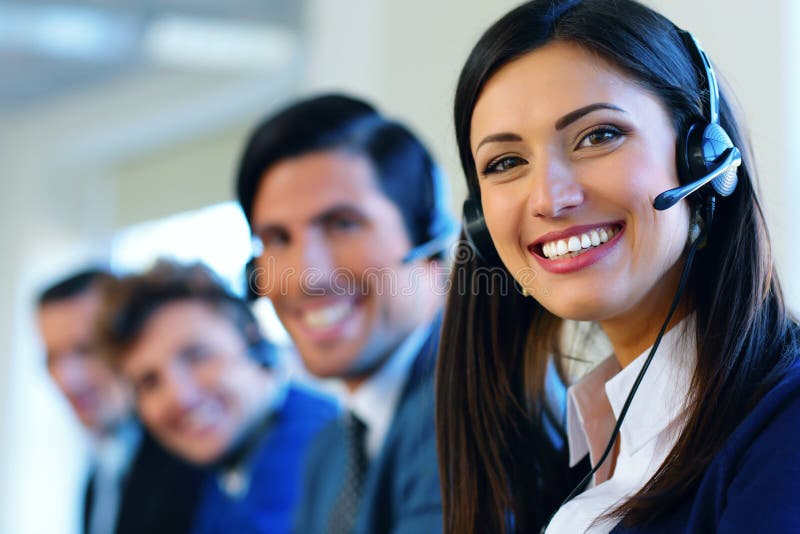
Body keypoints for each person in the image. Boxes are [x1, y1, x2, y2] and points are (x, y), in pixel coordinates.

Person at [435, 0, 800, 532]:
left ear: (703, 154)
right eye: (506, 162)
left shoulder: (783, 429)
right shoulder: (577, 458)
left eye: (599, 135)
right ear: (478, 222)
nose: (549, 198)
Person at [237, 93, 454, 534]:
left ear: (430, 239)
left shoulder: (466, 414)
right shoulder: (329, 451)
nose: (306, 277)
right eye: (277, 239)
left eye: (342, 224)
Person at [94, 260, 337, 534]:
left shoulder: (326, 448)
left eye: (197, 356)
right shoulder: (226, 468)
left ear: (252, 338)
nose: (181, 397)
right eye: (149, 382)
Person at [36, 268, 201, 534]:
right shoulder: (98, 479)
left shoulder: (193, 462)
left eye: (86, 349)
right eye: (52, 358)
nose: (67, 379)